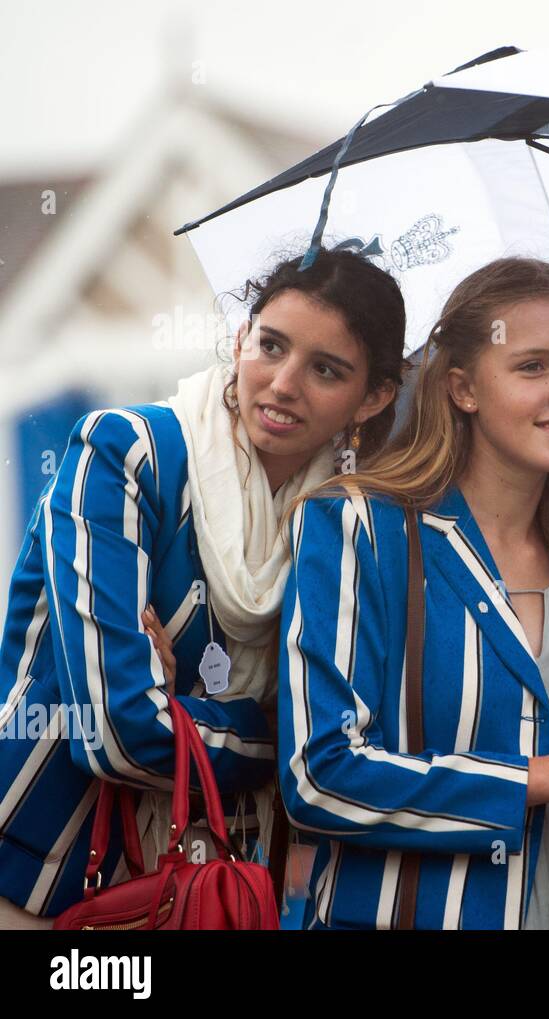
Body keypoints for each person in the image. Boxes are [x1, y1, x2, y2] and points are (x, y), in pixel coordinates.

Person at [278, 256, 549, 930]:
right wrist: (543, 778)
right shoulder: (358, 527)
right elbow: (319, 775)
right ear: (465, 389)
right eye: (534, 366)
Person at [0, 248, 405, 927]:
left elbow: (356, 746)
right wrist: (284, 744)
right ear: (241, 338)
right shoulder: (128, 453)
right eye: (270, 345)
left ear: (373, 398)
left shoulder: (347, 526)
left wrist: (181, 709)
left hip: (211, 895)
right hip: (38, 877)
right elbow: (118, 732)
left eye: (325, 369)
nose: (282, 382)